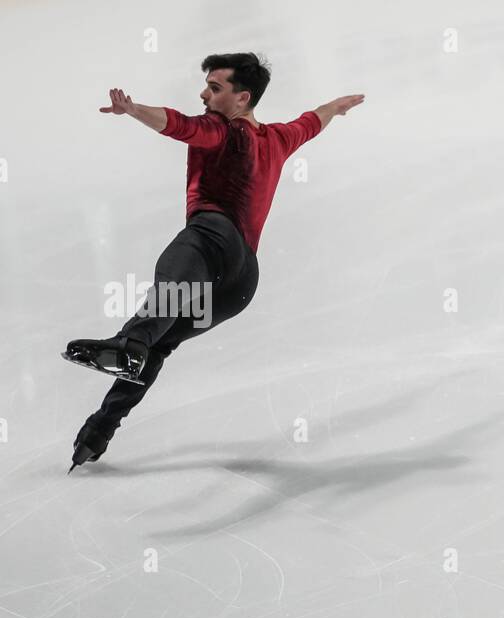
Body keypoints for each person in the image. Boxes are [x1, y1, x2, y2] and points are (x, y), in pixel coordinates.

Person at [64, 52, 364, 471]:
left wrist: (132, 110)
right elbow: (311, 121)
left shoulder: (222, 132)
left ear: (242, 98)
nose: (204, 94)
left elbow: (179, 125)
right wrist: (334, 107)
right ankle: (98, 431)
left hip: (215, 242)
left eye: (215, 88)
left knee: (190, 246)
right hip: (239, 287)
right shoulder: (279, 138)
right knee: (162, 340)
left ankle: (130, 341)